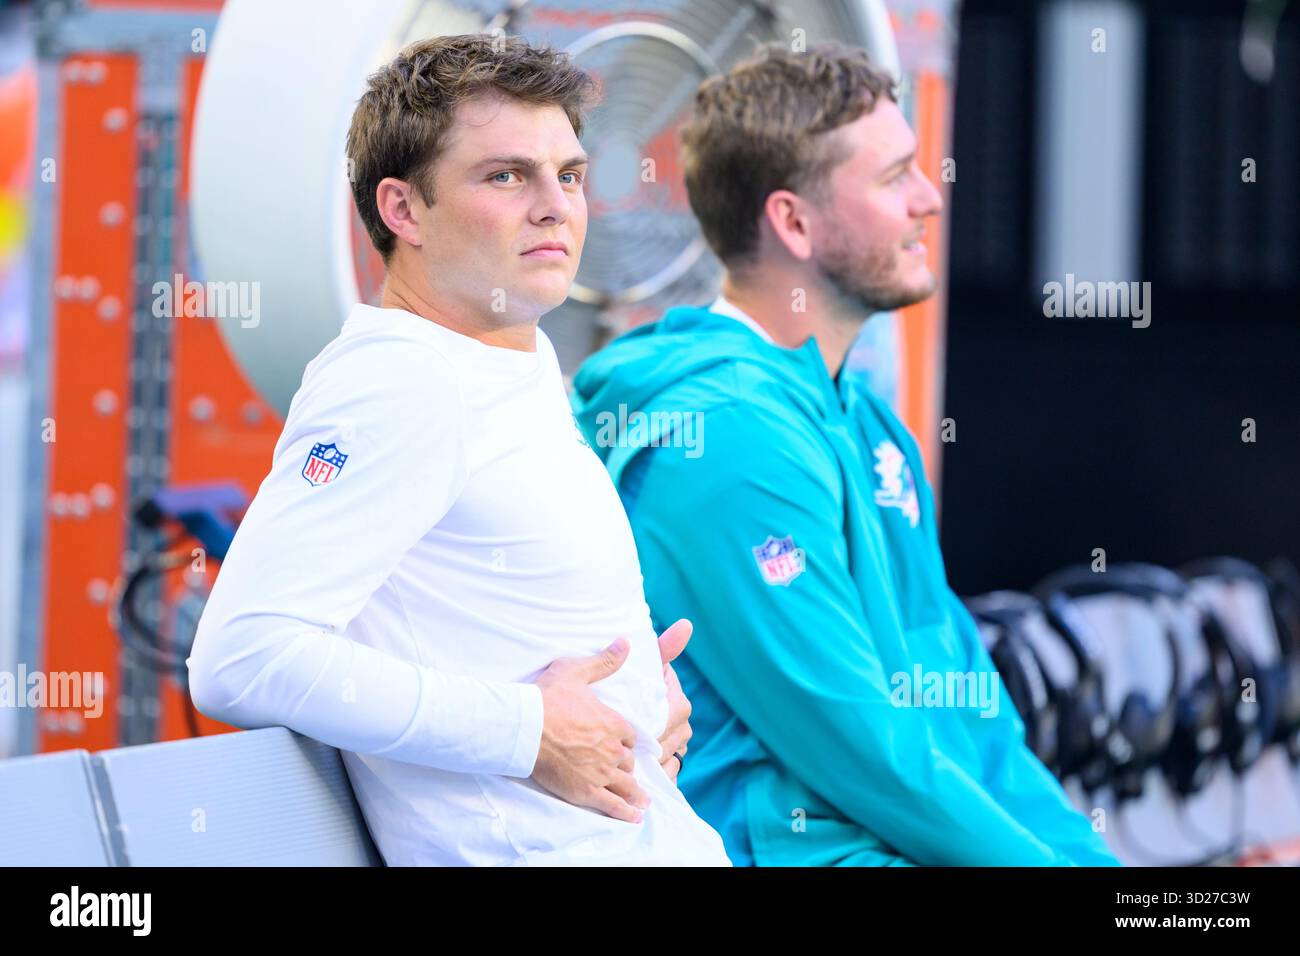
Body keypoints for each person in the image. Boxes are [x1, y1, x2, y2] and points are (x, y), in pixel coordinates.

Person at [571, 41, 1119, 866]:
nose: (930, 199)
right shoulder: (727, 440)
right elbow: (868, 752)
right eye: (895, 176)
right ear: (792, 221)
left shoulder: (865, 420)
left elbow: (973, 717)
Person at [187, 34, 728, 867]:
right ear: (403, 210)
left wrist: (636, 702)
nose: (557, 205)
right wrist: (528, 731)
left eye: (571, 174)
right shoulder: (403, 379)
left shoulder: (507, 359)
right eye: (506, 175)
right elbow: (242, 656)